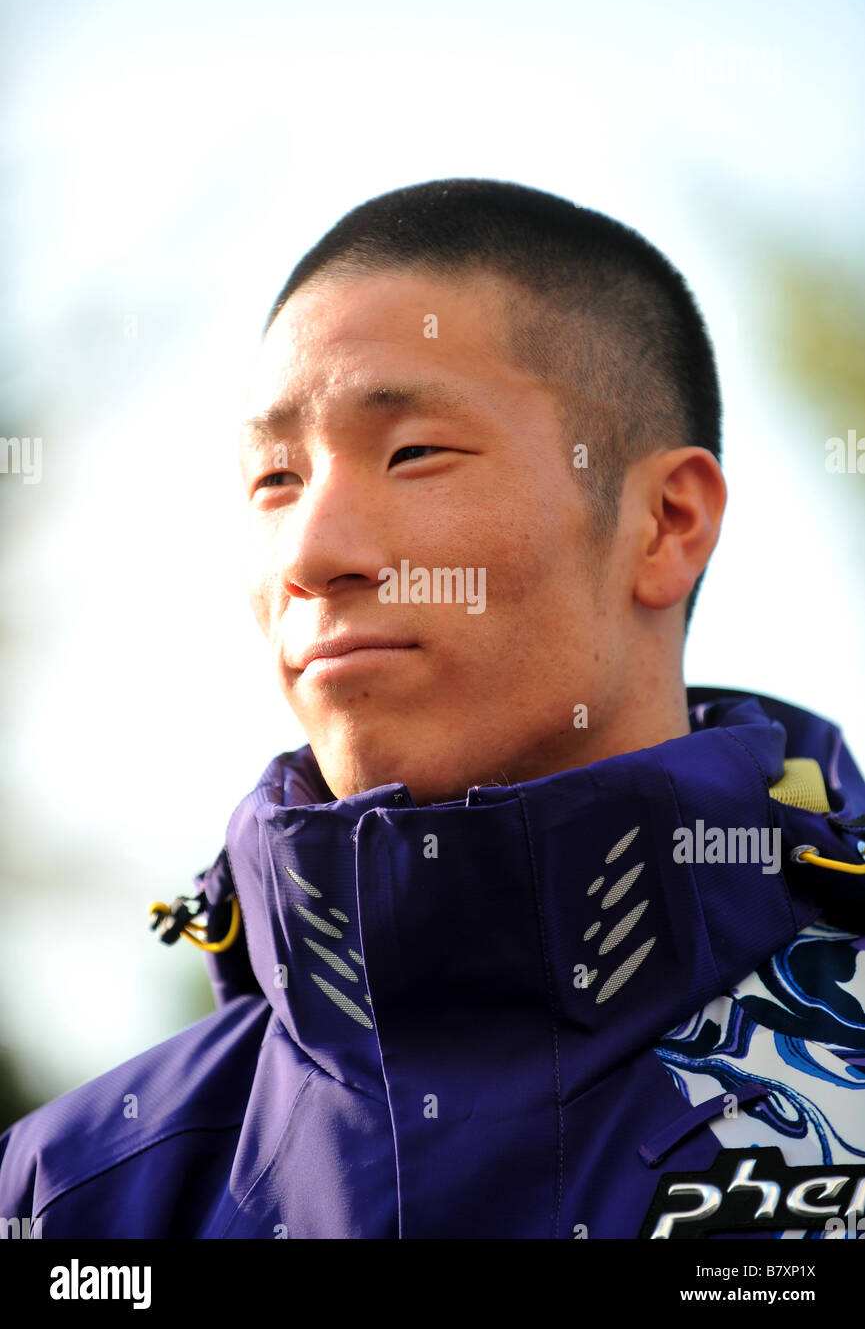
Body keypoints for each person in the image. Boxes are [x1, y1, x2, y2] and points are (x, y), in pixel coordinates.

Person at [2, 179, 864, 1240]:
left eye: (413, 453)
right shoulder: (74, 1191)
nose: (313, 556)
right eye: (274, 479)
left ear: (665, 522)